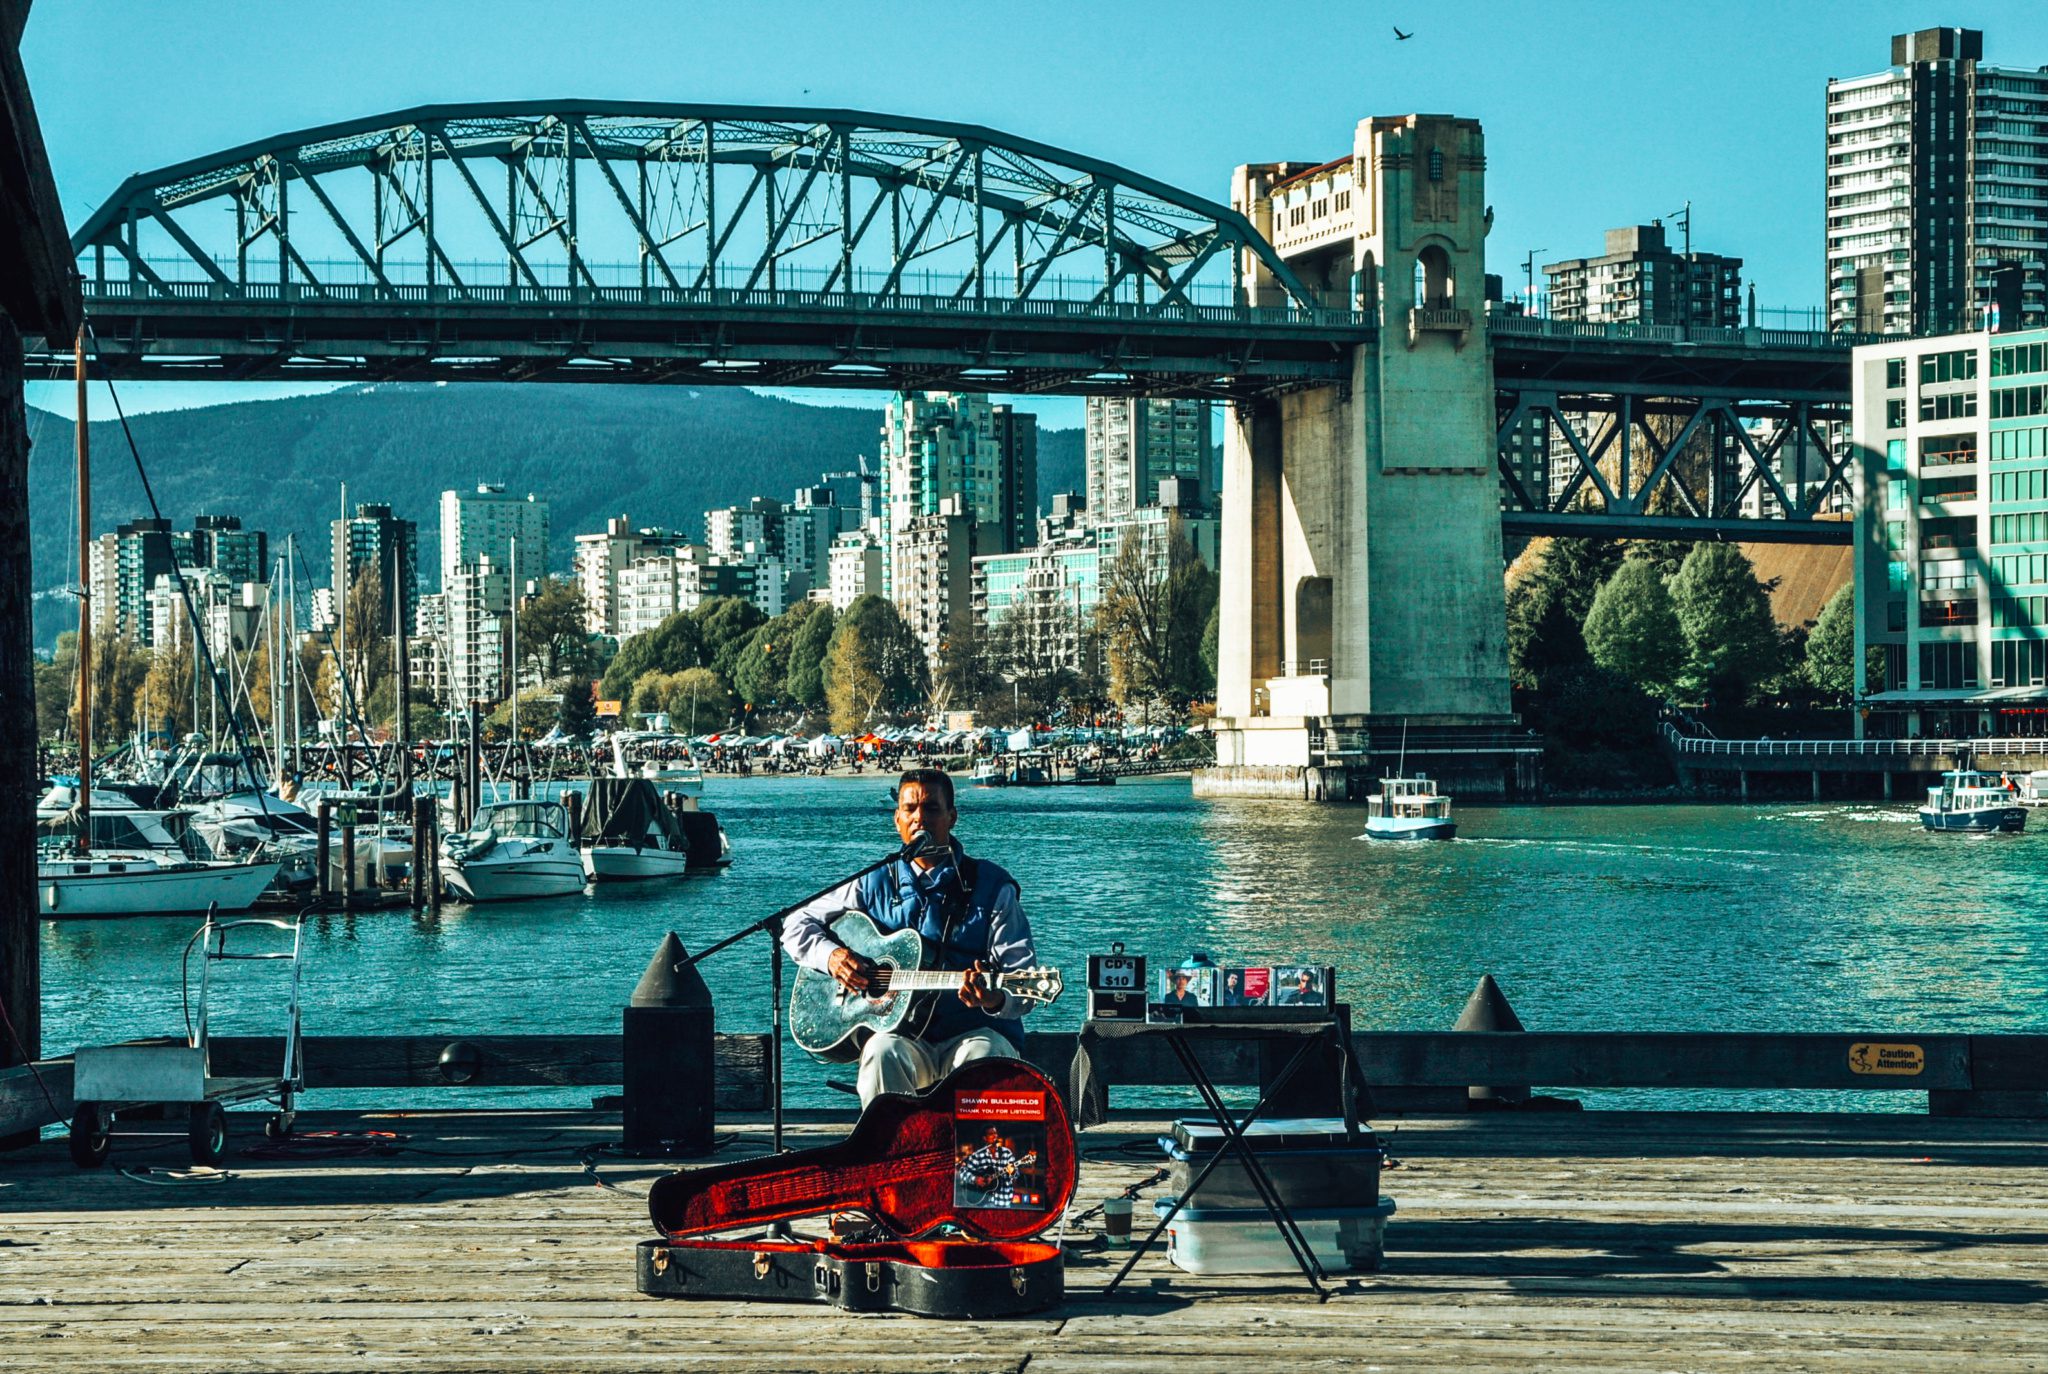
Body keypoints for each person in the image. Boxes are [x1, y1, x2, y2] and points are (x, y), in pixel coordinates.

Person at [783, 767, 1037, 1104]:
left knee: (981, 1059)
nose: (920, 818)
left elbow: (1023, 983)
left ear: (951, 817)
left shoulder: (991, 886)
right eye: (910, 809)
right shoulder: (872, 881)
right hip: (902, 1036)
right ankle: (892, 1140)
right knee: (880, 1052)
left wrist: (992, 998)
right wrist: (832, 957)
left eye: (931, 808)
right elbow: (795, 924)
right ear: (897, 819)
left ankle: (972, 1141)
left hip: (974, 1033)